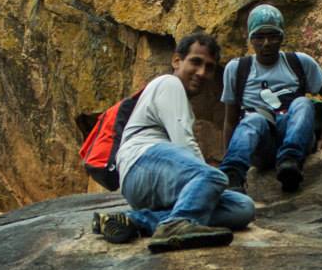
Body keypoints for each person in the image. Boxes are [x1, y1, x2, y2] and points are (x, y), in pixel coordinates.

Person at [94, 33, 257, 253]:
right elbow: (184, 143)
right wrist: (211, 184)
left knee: (242, 208)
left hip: (156, 179)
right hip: (142, 163)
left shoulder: (180, 97)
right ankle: (177, 225)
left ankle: (134, 220)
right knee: (214, 177)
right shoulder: (169, 84)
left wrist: (208, 188)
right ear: (176, 61)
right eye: (196, 62)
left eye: (209, 67)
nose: (202, 72)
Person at [219, 4, 322, 195]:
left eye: (273, 36)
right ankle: (232, 175)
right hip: (262, 144)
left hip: (295, 135)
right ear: (251, 39)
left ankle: (290, 163)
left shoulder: (299, 62)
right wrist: (229, 153)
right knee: (253, 119)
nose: (266, 43)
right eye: (259, 37)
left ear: (282, 37)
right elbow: (230, 120)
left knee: (302, 103)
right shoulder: (237, 69)